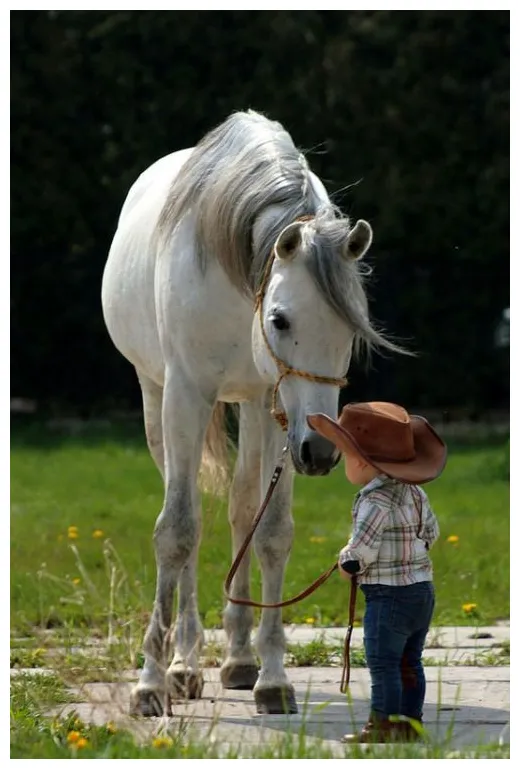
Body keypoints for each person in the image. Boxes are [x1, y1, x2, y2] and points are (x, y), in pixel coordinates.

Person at [307, 402, 447, 743]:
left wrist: (346, 563)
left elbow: (361, 553)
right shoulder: (416, 493)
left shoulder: (374, 501)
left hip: (388, 596)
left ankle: (382, 725)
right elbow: (432, 533)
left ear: (361, 461)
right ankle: (409, 724)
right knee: (410, 661)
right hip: (422, 591)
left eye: (345, 455)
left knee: (384, 663)